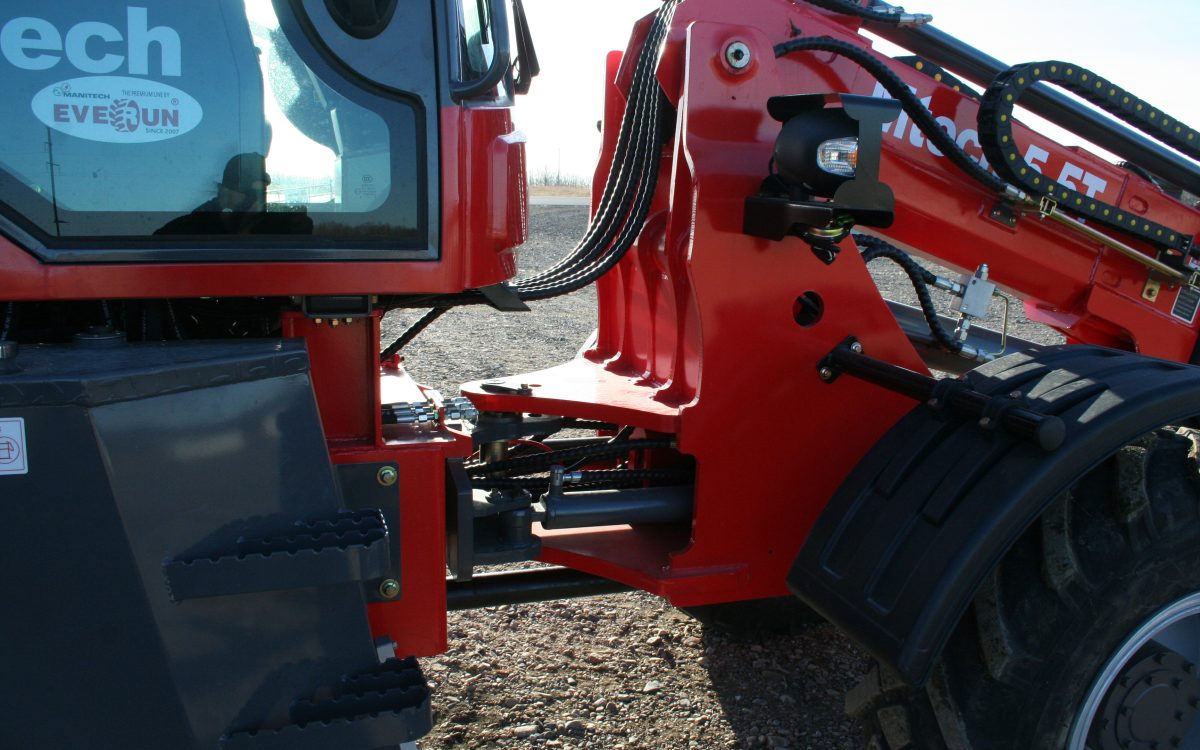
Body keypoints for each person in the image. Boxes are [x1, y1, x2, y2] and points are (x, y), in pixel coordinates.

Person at [155, 152, 311, 235]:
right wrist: (240, 230)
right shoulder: (192, 228)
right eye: (248, 193)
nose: (256, 201)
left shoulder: (274, 223)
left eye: (261, 193)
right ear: (223, 191)